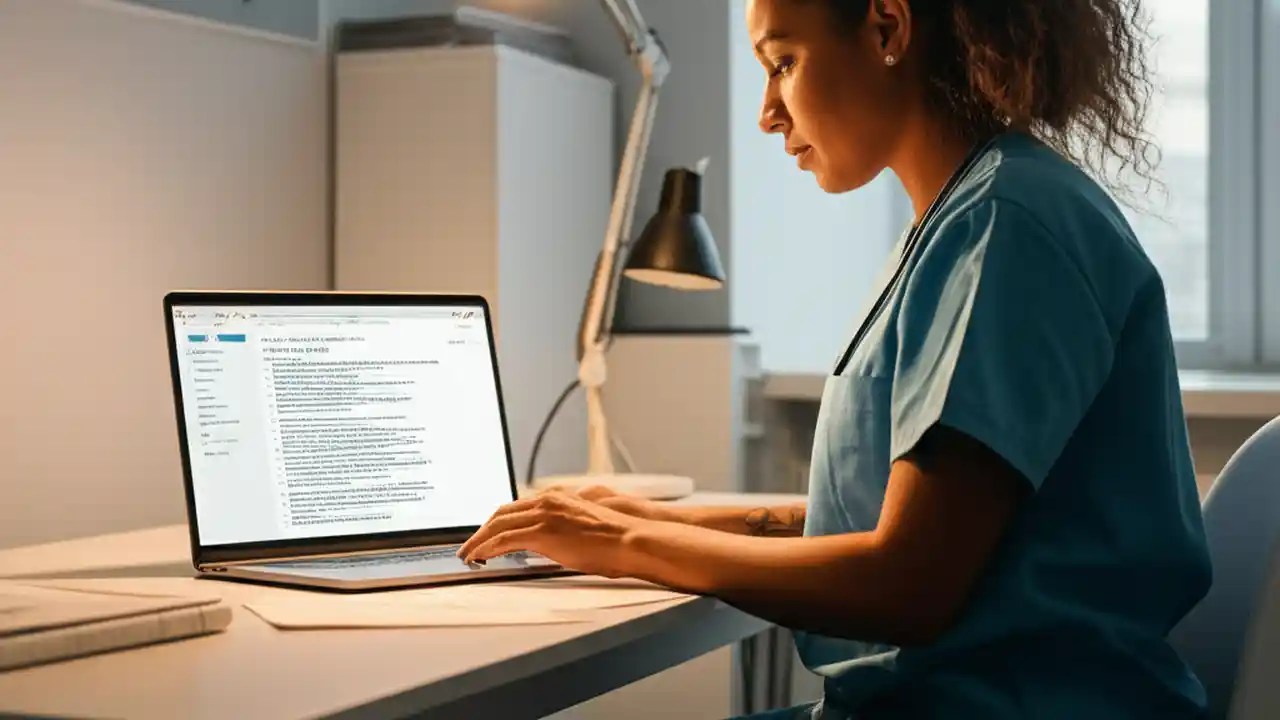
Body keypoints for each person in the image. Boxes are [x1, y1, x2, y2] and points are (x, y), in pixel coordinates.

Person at [458, 0, 1212, 716]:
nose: (765, 112)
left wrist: (624, 543)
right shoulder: (969, 214)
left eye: (781, 61)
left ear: (887, 27)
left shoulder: (1005, 225)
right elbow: (892, 521)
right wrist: (648, 518)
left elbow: (907, 582)